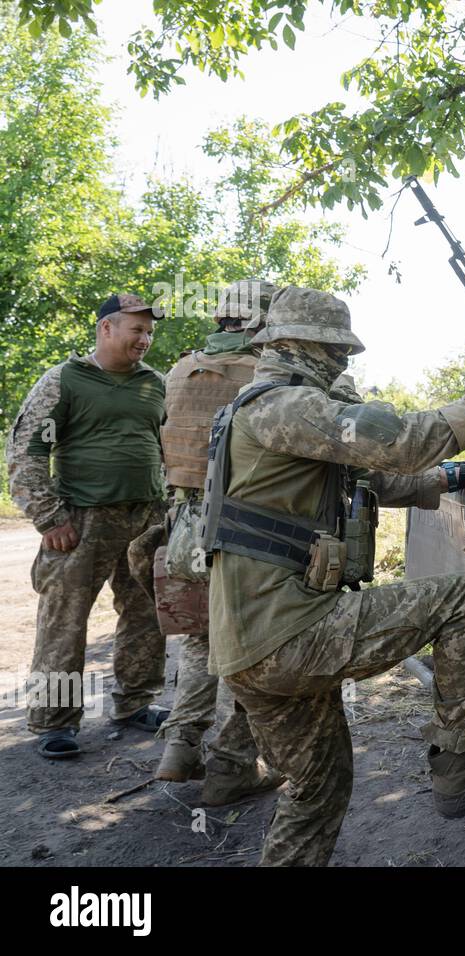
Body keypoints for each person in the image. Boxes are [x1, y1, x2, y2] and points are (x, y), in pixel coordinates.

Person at [205, 285, 465, 866]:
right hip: (292, 634)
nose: (342, 366)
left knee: (319, 790)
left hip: (247, 650)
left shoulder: (252, 413)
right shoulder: (284, 406)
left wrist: (454, 478)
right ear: (303, 347)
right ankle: (459, 766)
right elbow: (403, 443)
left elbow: (375, 484)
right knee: (463, 598)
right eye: (336, 354)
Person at [5, 293, 170, 758]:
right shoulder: (65, 380)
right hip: (80, 519)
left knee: (144, 615)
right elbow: (27, 451)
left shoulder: (154, 384)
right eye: (136, 330)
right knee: (65, 622)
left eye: (149, 332)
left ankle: (135, 703)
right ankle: (54, 722)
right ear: (106, 329)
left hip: (146, 517)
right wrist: (48, 516)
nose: (145, 339)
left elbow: (166, 446)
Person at [148, 279, 285, 804]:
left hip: (185, 527)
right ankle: (231, 766)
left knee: (203, 638)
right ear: (263, 322)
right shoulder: (270, 376)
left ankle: (180, 745)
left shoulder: (181, 370)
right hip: (250, 530)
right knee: (261, 641)